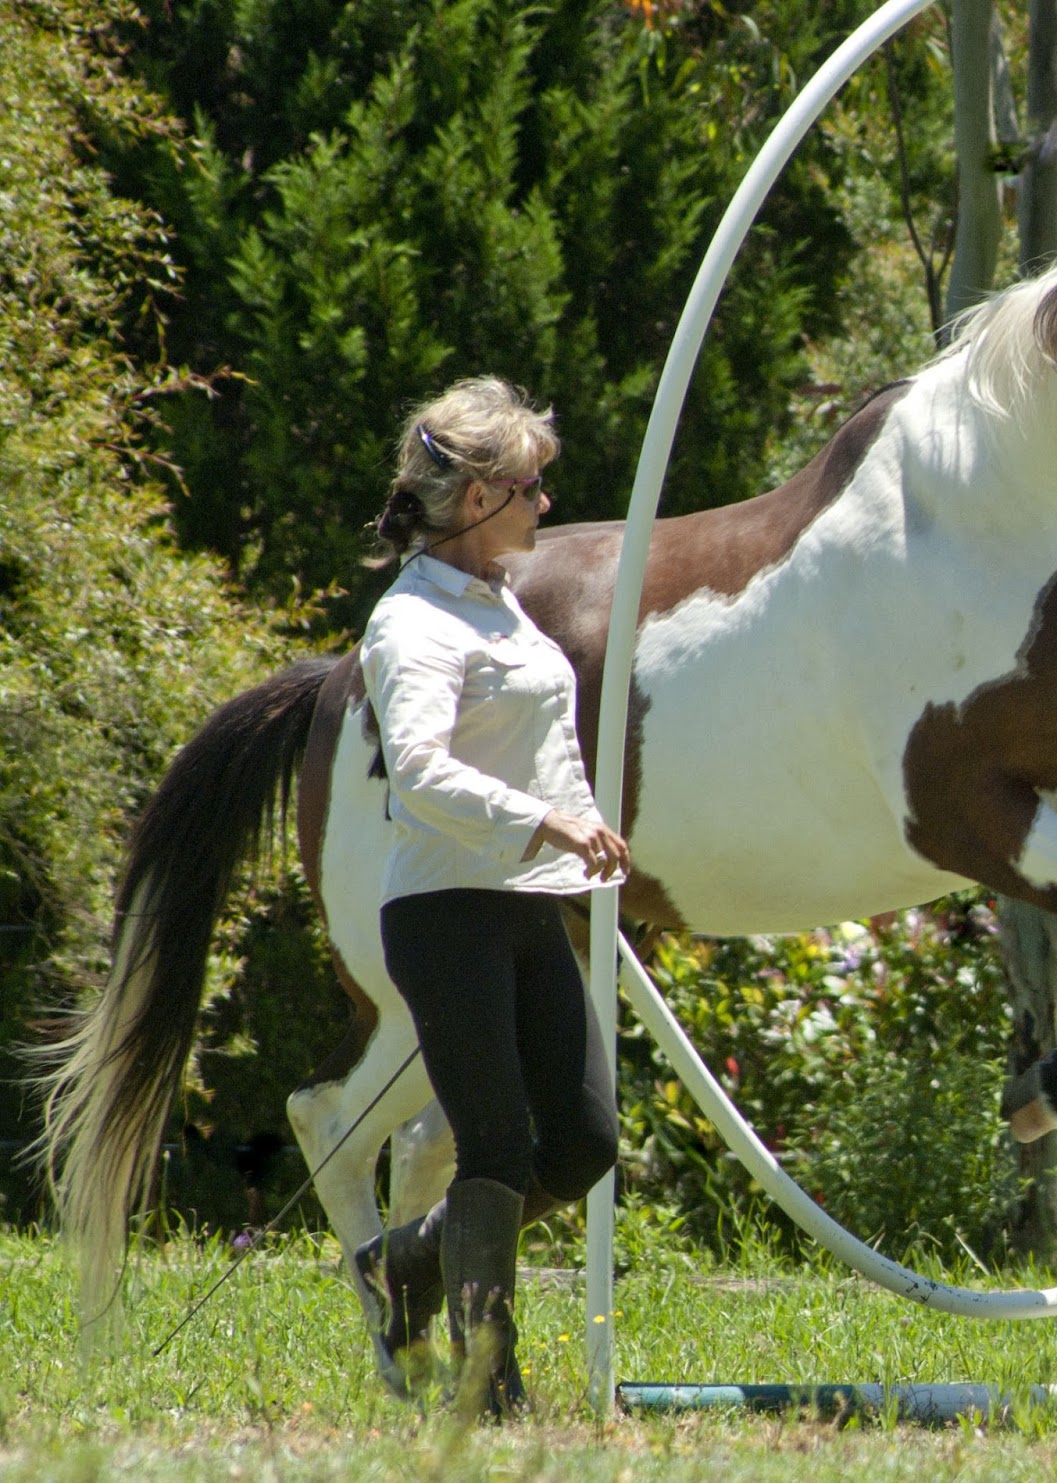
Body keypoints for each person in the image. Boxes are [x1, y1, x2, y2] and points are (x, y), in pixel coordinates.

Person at [354, 376, 630, 1419]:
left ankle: (404, 1265)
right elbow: (419, 769)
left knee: (585, 1140)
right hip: (444, 910)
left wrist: (564, 832)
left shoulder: (493, 598)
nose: (544, 505)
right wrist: (545, 818)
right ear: (476, 499)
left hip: (519, 902)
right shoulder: (412, 624)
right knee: (499, 1144)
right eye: (529, 488)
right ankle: (486, 1387)